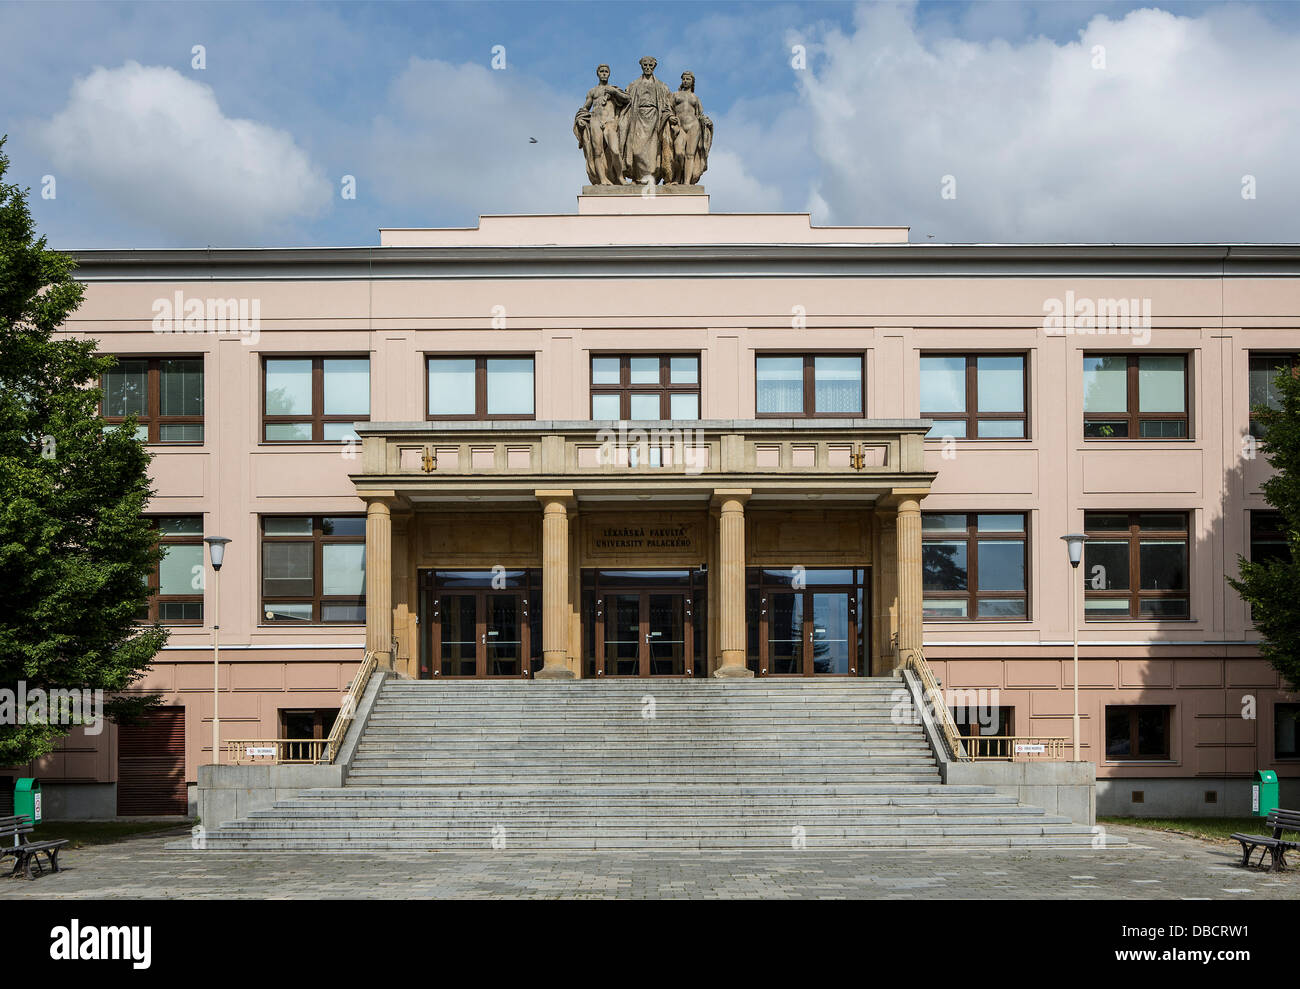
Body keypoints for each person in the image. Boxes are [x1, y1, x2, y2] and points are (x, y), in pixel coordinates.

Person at [573, 64, 628, 185]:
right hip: (595, 121)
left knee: (615, 151)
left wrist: (613, 92)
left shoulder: (613, 89)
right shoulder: (593, 91)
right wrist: (581, 119)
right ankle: (603, 179)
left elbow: (627, 99)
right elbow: (585, 108)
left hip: (609, 122)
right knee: (597, 152)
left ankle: (620, 177)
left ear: (609, 74)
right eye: (601, 71)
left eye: (606, 71)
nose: (604, 73)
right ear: (598, 74)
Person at [668, 71, 712, 185]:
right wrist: (671, 117)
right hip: (680, 127)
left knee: (690, 155)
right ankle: (677, 177)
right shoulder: (675, 95)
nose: (686, 81)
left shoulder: (695, 98)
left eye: (688, 79)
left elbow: (700, 114)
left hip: (694, 126)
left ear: (692, 82)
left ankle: (687, 182)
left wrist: (706, 122)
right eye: (684, 79)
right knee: (678, 152)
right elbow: (668, 110)